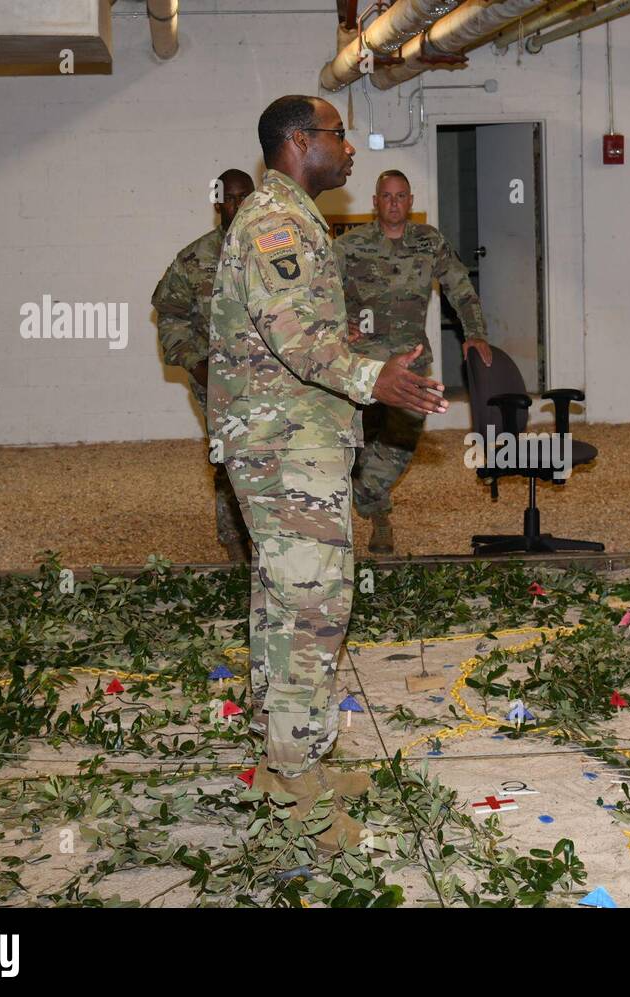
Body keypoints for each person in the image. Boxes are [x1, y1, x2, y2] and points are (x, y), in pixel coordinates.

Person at [208, 95, 448, 850]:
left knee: (288, 607)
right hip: (282, 449)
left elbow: (298, 329)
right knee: (311, 612)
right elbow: (298, 340)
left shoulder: (295, 218)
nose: (351, 149)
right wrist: (372, 377)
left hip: (293, 440)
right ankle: (297, 797)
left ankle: (293, 767)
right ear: (297, 142)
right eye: (339, 135)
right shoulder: (276, 222)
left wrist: (353, 355)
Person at [336, 169, 491, 555]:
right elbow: (320, 294)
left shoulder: (429, 241)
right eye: (385, 196)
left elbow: (461, 288)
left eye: (401, 196)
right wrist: (342, 324)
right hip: (363, 366)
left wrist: (475, 332)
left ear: (410, 201)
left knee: (403, 440)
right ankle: (377, 515)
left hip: (412, 362)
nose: (393, 203)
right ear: (374, 202)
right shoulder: (348, 246)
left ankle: (368, 492)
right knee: (354, 440)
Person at [152, 168, 256, 561]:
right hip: (216, 380)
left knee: (270, 456)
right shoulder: (194, 258)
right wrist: (196, 364)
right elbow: (171, 315)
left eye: (246, 196)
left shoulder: (272, 249)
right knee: (229, 455)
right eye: (232, 197)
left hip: (270, 379)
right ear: (217, 202)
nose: (239, 204)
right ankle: (234, 543)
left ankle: (271, 539)